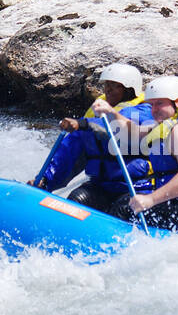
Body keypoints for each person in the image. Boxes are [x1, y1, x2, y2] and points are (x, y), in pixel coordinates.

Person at [92, 76, 178, 231]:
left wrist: (150, 199)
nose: (154, 110)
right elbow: (132, 132)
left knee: (124, 209)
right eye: (151, 105)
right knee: (127, 202)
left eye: (160, 103)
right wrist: (110, 111)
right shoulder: (168, 127)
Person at [31, 63, 152, 211]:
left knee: (121, 210)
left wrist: (84, 124)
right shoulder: (94, 115)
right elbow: (69, 151)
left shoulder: (145, 111)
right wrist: (45, 180)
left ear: (129, 90)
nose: (108, 89)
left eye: (115, 85)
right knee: (77, 199)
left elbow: (114, 128)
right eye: (107, 84)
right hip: (101, 185)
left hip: (137, 186)